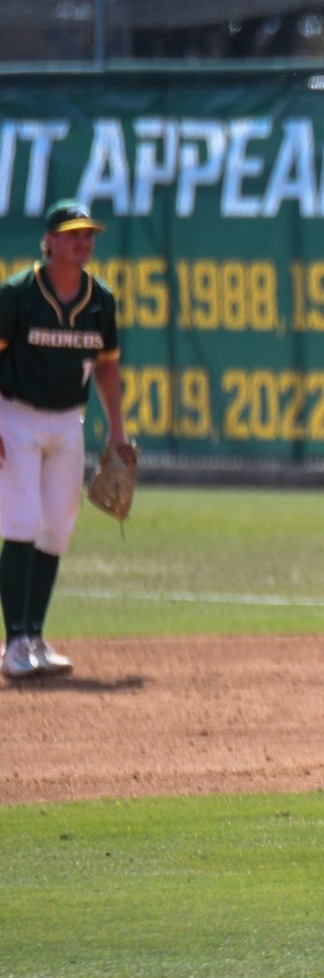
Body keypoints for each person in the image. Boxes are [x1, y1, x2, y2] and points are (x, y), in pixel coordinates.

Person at [0, 200, 134, 680]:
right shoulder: (17, 294)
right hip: (14, 416)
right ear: (50, 241)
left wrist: (117, 432)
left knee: (57, 527)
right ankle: (15, 641)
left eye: (89, 233)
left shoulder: (101, 299)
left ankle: (35, 635)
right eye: (73, 233)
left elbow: (107, 366)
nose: (84, 241)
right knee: (20, 520)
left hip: (67, 422)